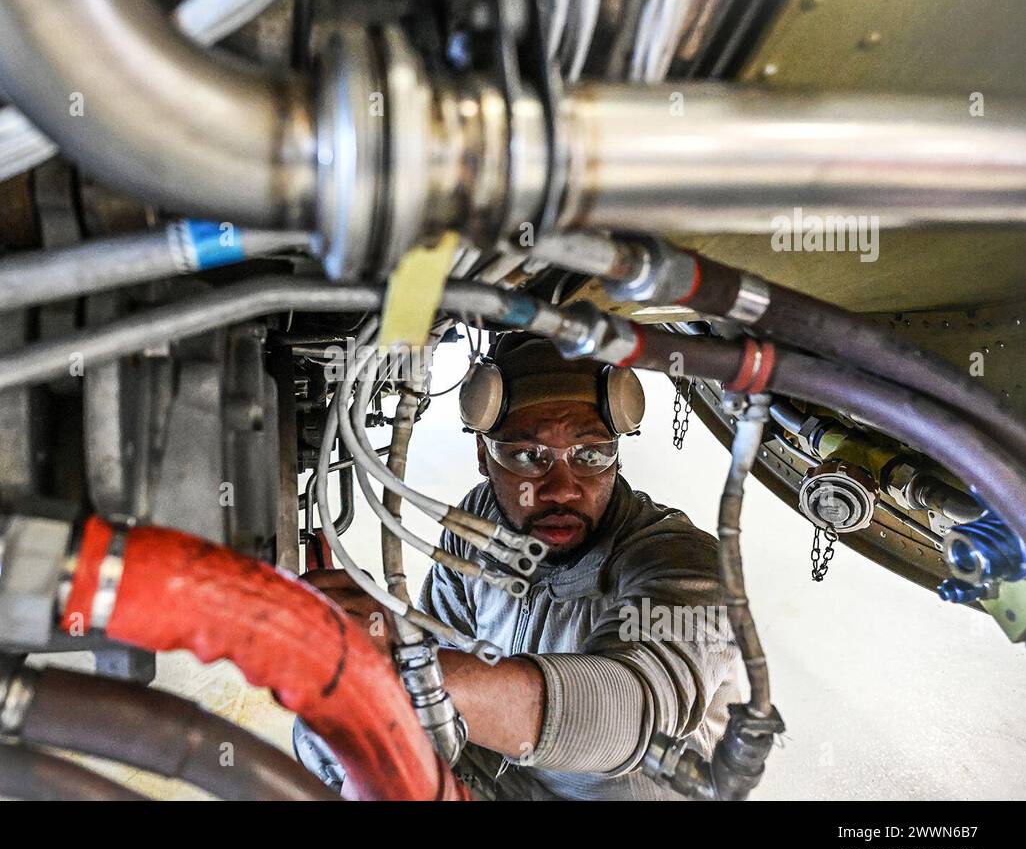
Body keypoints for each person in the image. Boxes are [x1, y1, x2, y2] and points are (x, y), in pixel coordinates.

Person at [295, 333, 741, 799]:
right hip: (519, 784)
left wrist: (404, 668)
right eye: (528, 456)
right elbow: (439, 668)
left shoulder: (685, 567)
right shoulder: (478, 529)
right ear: (484, 457)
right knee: (333, 731)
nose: (562, 489)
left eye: (590, 454)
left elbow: (634, 712)